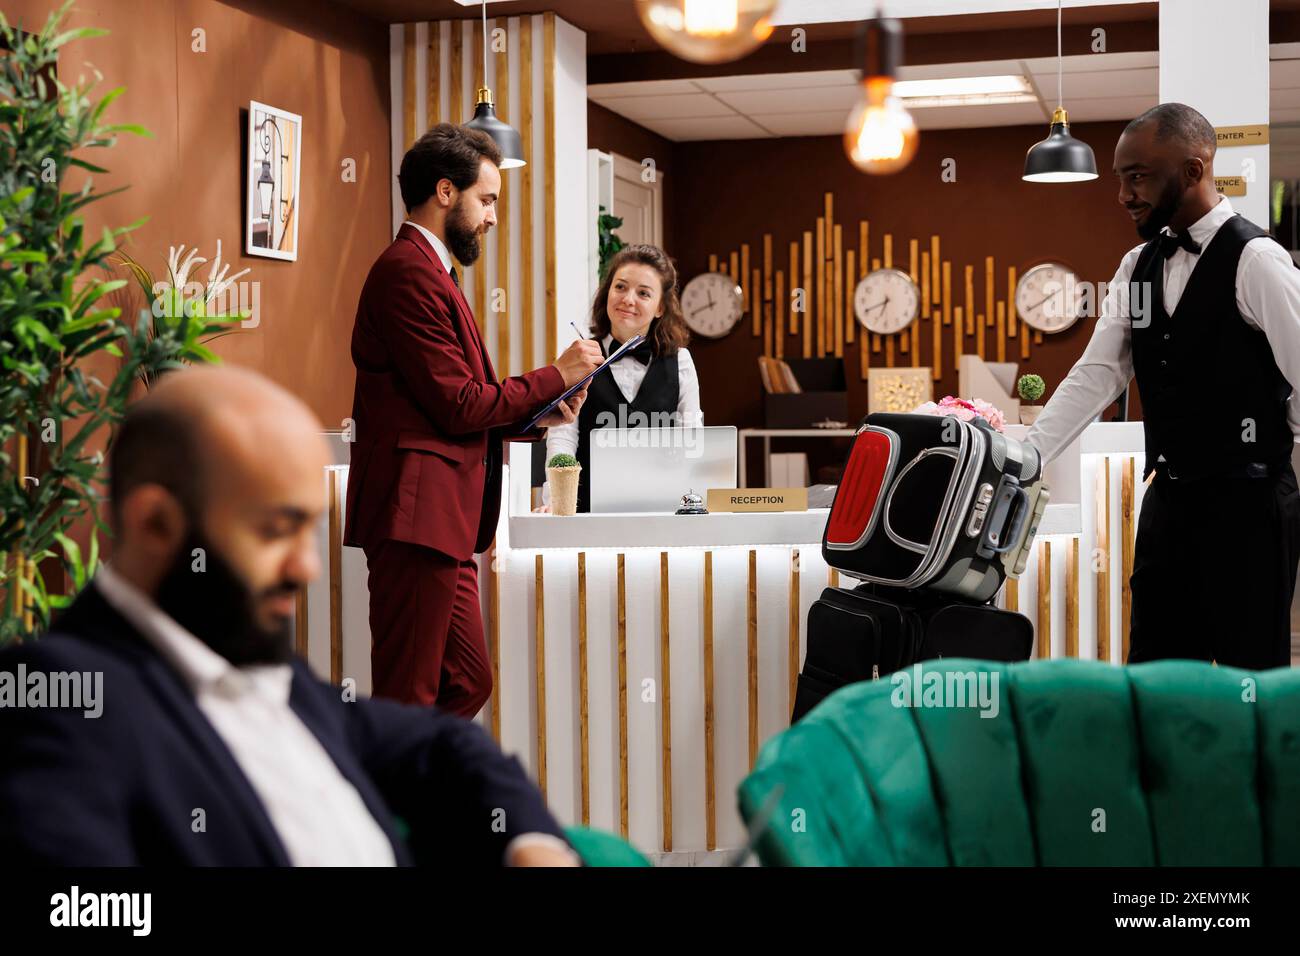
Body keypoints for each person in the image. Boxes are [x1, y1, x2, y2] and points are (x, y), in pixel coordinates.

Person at [0, 366, 579, 866]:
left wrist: (531, 840)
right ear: (156, 525)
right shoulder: (57, 699)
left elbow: (445, 744)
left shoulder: (272, 675)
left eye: (308, 529)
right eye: (276, 531)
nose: (307, 568)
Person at [1026, 102, 1300, 668]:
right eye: (1121, 178)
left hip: (1249, 507)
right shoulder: (1135, 266)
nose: (1124, 194)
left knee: (1250, 678)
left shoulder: (1257, 259)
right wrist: (1026, 453)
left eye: (1139, 177)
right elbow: (1099, 372)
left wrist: (1276, 440)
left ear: (1195, 171)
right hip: (1170, 502)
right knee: (1155, 670)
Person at [345, 123, 603, 712]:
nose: (491, 217)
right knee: (408, 699)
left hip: (445, 524)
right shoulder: (406, 272)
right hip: (416, 518)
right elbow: (458, 404)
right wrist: (555, 374)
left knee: (466, 682)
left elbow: (456, 405)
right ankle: (390, 803)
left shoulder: (432, 272)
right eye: (487, 200)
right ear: (444, 192)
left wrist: (544, 412)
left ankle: (424, 799)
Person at [541, 244, 702, 513]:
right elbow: (563, 438)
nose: (628, 299)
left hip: (661, 511)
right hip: (588, 511)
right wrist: (557, 502)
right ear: (607, 293)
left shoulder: (681, 361)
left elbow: (693, 442)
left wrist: (693, 504)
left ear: (660, 307)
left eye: (643, 293)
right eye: (620, 287)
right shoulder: (579, 355)